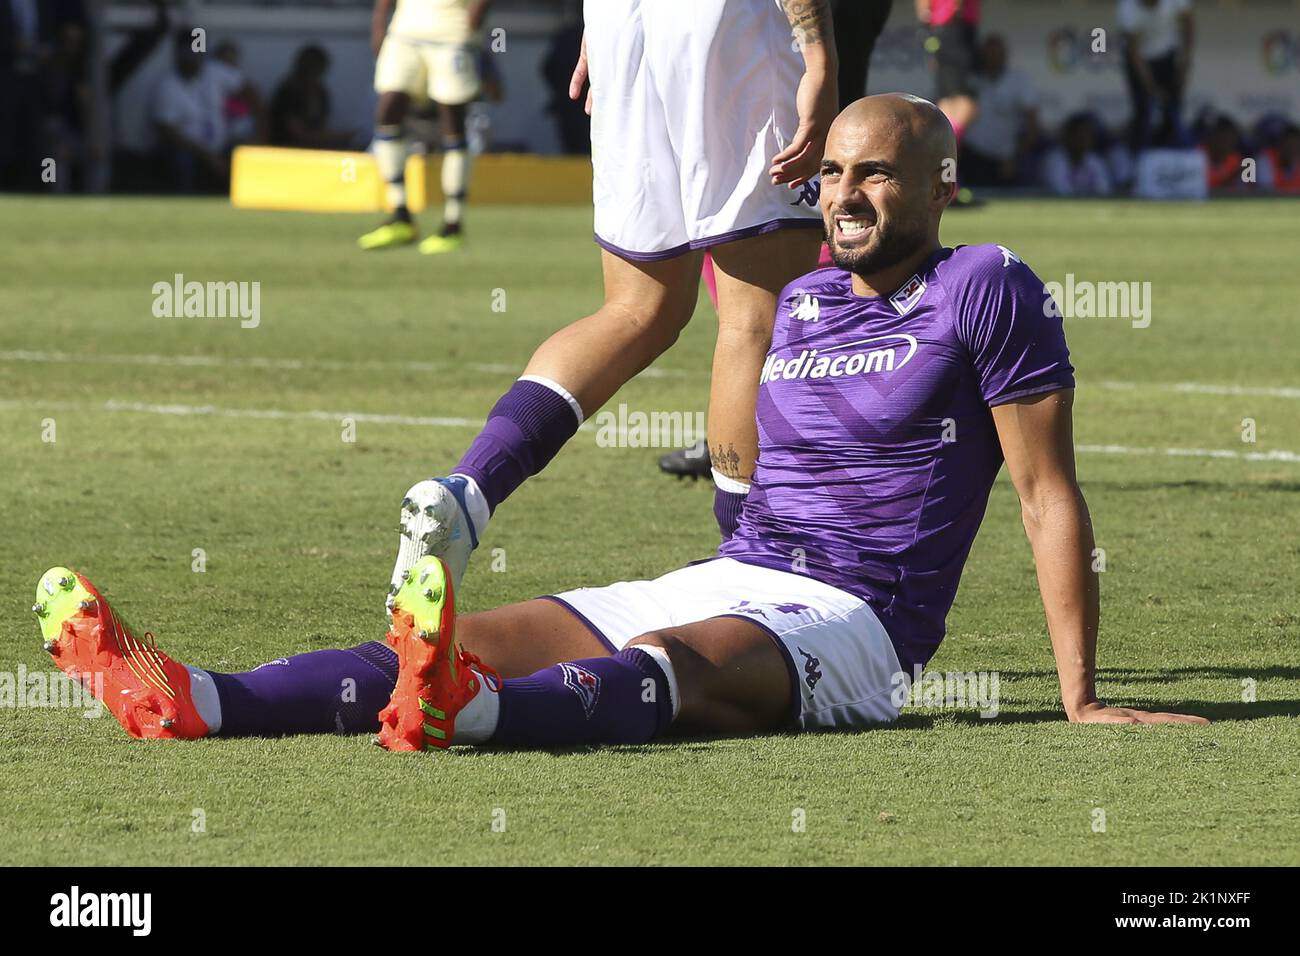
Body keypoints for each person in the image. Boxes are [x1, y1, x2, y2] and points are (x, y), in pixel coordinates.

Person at [33, 95, 1210, 751]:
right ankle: (200, 696)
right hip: (742, 564)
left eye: (879, 176)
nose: (846, 196)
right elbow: (756, 470)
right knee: (466, 632)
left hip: (862, 621)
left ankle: (474, 717)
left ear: (942, 185)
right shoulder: (798, 295)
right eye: (835, 175)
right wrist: (725, 554)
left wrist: (1079, 693)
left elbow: (1047, 493)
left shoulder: (988, 284)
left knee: (677, 667)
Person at [357, 0, 492, 255]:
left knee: (452, 122)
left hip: (451, 33)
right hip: (404, 32)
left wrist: (474, 20)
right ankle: (400, 214)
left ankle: (453, 224)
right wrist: (378, 24)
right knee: (387, 111)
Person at [959, 34, 1038, 187]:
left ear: (1004, 55)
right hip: (972, 154)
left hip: (1004, 158)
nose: (992, 58)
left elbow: (1033, 126)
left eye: (997, 54)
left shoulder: (1019, 80)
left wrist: (1016, 158)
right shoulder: (971, 79)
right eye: (989, 54)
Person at [1118, 0, 1193, 151]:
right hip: (1141, 60)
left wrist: (1185, 61)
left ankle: (1171, 151)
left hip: (1167, 54)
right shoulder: (1127, 7)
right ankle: (1138, 155)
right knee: (1143, 109)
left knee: (1173, 107)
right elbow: (1135, 53)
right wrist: (1151, 88)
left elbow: (1189, 24)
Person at [271, 44, 357, 149]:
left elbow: (320, 129)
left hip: (314, 151)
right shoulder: (288, 93)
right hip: (286, 150)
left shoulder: (321, 93)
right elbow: (298, 134)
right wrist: (340, 135)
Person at [1042, 113, 1113, 197]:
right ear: (1069, 136)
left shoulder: (1095, 161)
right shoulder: (1055, 160)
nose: (1083, 140)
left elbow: (1104, 191)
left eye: (1087, 135)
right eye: (1080, 135)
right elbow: (1060, 193)